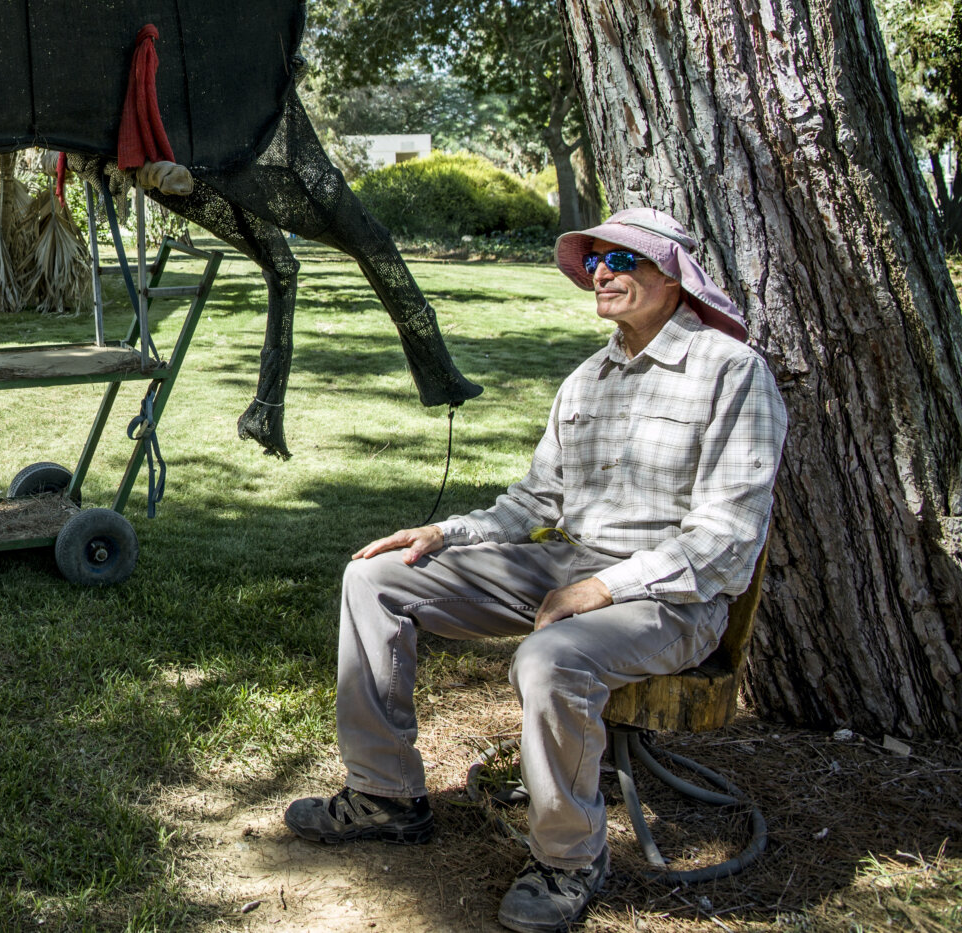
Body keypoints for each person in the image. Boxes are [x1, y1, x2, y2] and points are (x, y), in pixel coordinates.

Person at [285, 208, 786, 933]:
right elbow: (536, 501)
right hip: (567, 565)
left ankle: (568, 859)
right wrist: (444, 532)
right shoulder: (589, 377)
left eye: (621, 260)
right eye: (595, 260)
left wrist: (602, 588)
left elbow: (727, 539)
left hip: (673, 599)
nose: (601, 273)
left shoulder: (732, 372)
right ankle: (384, 795)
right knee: (377, 578)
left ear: (674, 276)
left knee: (551, 657)